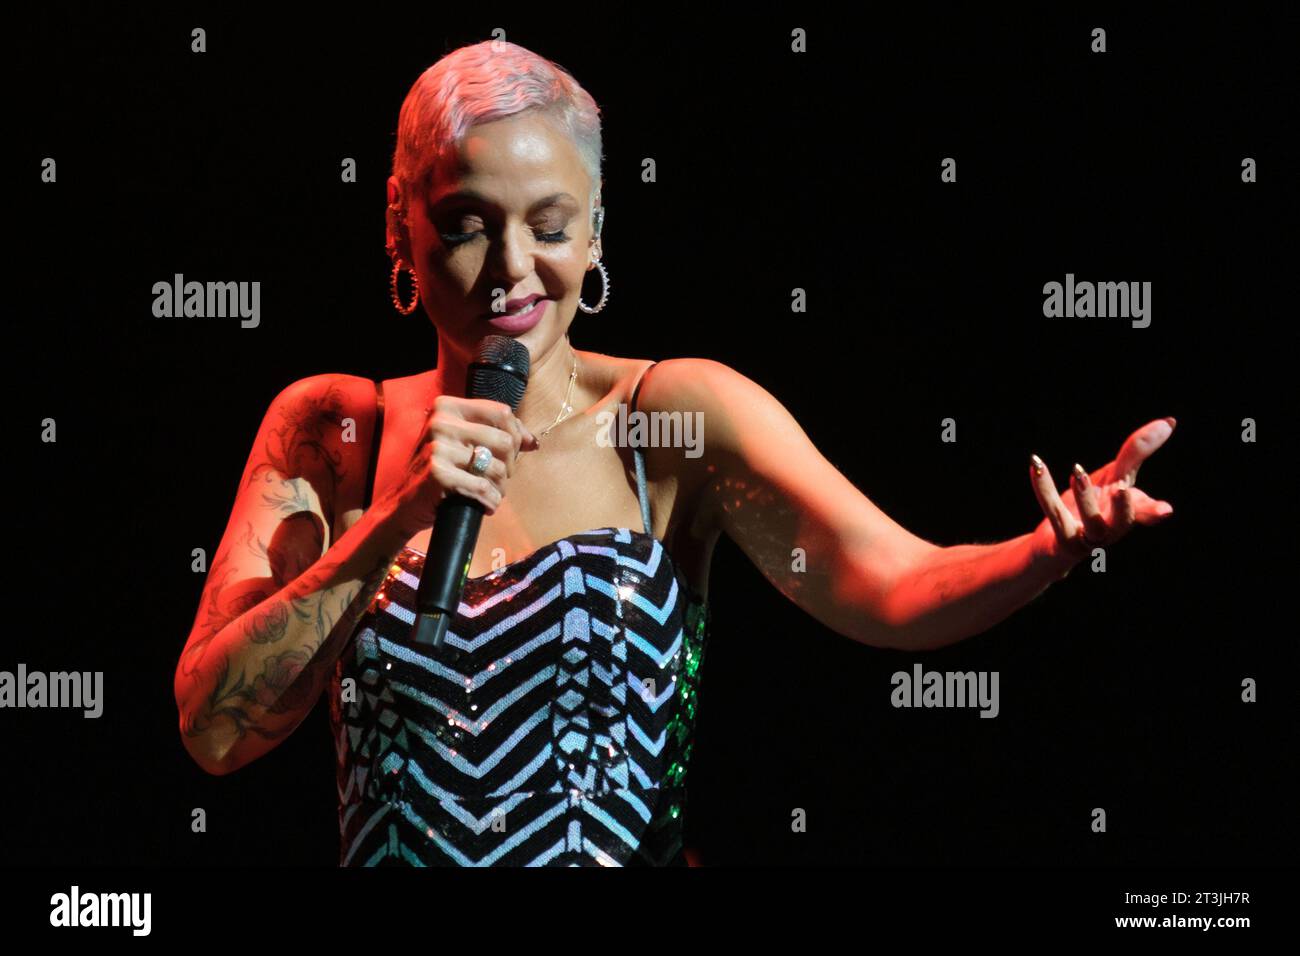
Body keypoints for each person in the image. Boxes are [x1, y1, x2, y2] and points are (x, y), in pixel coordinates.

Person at [172, 40, 1176, 867]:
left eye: (551, 225)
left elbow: (890, 582)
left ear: (598, 229)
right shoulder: (336, 431)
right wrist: (390, 526)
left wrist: (1045, 550)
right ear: (400, 223)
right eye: (468, 226)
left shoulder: (669, 416)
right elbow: (213, 730)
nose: (515, 269)